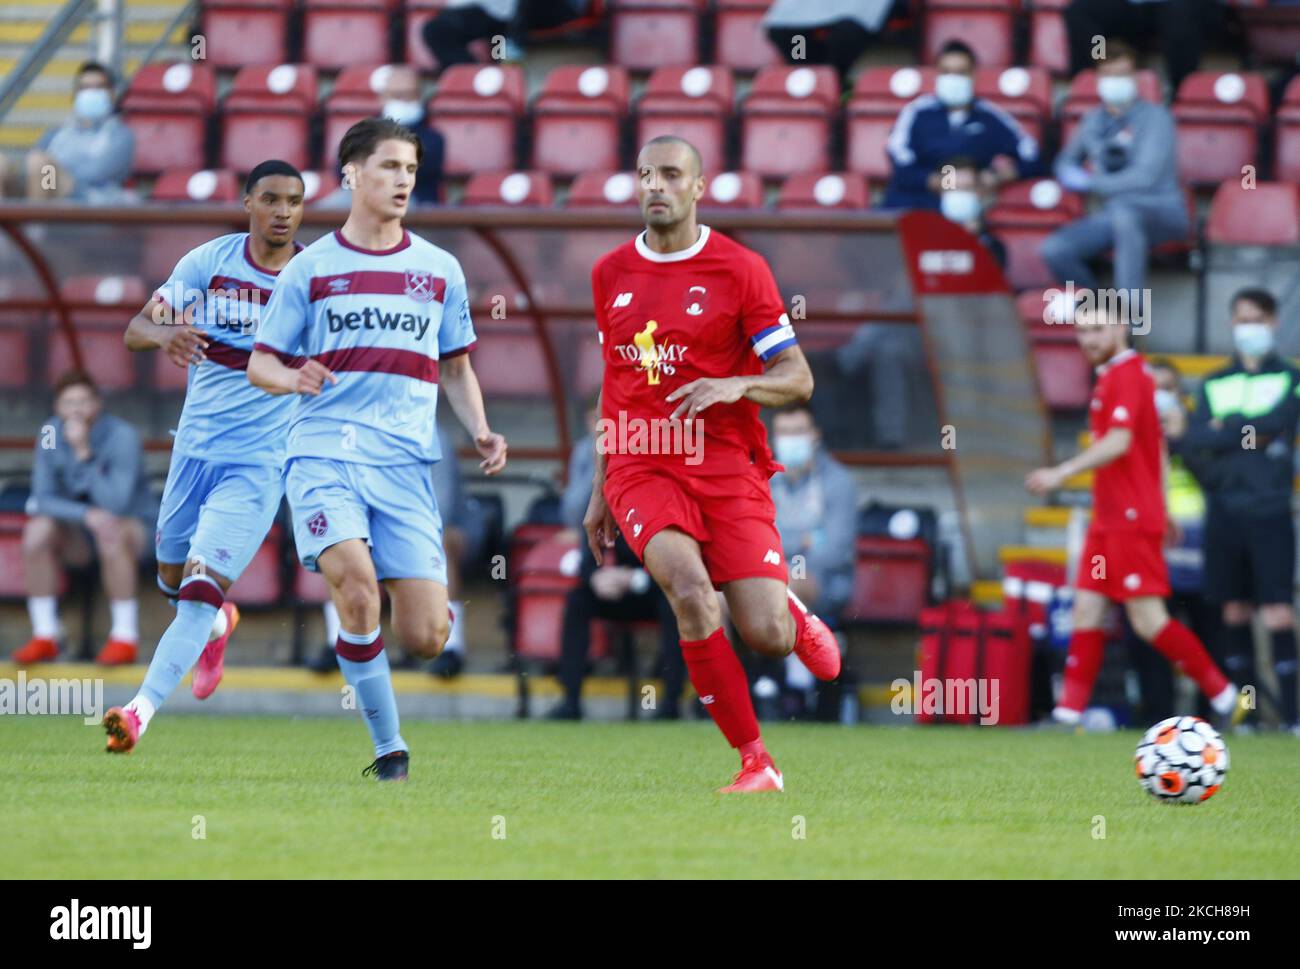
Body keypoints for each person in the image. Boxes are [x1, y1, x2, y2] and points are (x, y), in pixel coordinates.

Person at [247, 118, 508, 782]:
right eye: (389, 167)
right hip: (322, 453)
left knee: (426, 636)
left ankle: (376, 662)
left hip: (404, 463)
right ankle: (390, 748)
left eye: (411, 170)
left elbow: (455, 367)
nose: (402, 181)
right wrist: (293, 375)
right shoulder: (311, 268)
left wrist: (479, 427)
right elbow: (261, 365)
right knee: (358, 590)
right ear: (352, 176)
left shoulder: (438, 269)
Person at [584, 134, 841, 794]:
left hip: (726, 462)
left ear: (698, 187)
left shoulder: (740, 268)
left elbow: (799, 378)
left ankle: (791, 610)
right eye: (645, 175)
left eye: (671, 175)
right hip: (642, 462)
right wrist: (599, 488)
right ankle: (757, 760)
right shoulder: (610, 272)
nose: (655, 187)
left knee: (767, 635)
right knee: (691, 593)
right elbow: (615, 387)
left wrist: (738, 385)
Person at [98, 162, 307, 752]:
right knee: (171, 578)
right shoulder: (209, 263)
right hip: (193, 453)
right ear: (248, 203)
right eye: (270, 199)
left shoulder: (312, 279)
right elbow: (136, 327)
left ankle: (137, 712)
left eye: (293, 201)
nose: (283, 211)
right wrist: (166, 336)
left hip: (259, 463)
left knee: (197, 585)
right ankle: (218, 626)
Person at [1025, 301, 1249, 731]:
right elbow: (1156, 449)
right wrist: (1162, 507)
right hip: (1109, 520)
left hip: (1128, 520)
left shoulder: (1129, 375)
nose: (1087, 339)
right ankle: (1067, 715)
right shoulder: (1112, 376)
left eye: (1097, 329)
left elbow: (1121, 442)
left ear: (1122, 327)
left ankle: (1223, 695)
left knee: (1149, 621)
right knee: (1086, 611)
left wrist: (1062, 472)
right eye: (1082, 331)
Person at [1165, 289, 1300, 735]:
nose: (1249, 328)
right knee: (1234, 614)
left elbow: (1277, 425)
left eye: (1257, 319)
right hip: (1223, 509)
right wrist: (1243, 437)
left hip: (1269, 509)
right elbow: (1198, 439)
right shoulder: (1213, 383)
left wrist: (1230, 429)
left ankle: (1294, 717)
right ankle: (1249, 713)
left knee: (1278, 612)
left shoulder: (1291, 378)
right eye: (1242, 319)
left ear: (1274, 321)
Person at [549, 400, 683, 720]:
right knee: (578, 600)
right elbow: (585, 536)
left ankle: (670, 704)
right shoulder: (602, 488)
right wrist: (594, 577)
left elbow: (675, 555)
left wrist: (635, 580)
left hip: (653, 586)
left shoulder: (659, 482)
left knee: (674, 605)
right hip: (613, 586)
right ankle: (570, 701)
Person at [13, 371, 153, 665]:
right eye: (68, 402)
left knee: (110, 529)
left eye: (83, 401)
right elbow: (41, 499)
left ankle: (125, 638)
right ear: (57, 407)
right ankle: (46, 635)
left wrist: (83, 452)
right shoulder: (50, 434)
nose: (75, 409)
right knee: (37, 530)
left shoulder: (121, 436)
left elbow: (117, 504)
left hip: (133, 533)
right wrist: (85, 514)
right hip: (79, 535)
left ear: (97, 404)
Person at [1041, 39, 1186, 309]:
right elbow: (1064, 161)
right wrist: (1068, 173)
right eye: (1108, 75)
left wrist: (1092, 183)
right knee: (1056, 249)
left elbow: (1145, 177)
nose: (1114, 81)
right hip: (1114, 214)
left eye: (1122, 74)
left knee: (1125, 218)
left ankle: (1131, 323)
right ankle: (1101, 312)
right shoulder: (1093, 119)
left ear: (1135, 79)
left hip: (1162, 212)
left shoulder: (1157, 119)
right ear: (1098, 79)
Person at [883, 40, 1039, 212]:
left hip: (967, 207)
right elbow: (901, 166)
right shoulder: (917, 112)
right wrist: (947, 181)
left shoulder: (990, 116)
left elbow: (1033, 157)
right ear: (937, 75)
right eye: (947, 72)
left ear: (973, 75)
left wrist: (994, 177)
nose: (953, 79)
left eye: (960, 72)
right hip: (913, 203)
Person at [768, 403, 856, 699]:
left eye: (798, 431)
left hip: (828, 582)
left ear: (815, 435)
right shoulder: (766, 479)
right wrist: (803, 540)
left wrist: (785, 551)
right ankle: (724, 691)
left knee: (787, 585)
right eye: (784, 432)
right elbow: (755, 538)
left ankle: (796, 687)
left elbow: (834, 550)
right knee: (717, 596)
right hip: (772, 573)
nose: (790, 439)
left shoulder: (838, 481)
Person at [27, 61, 135, 204]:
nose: (91, 93)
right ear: (76, 94)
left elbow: (99, 175)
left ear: (112, 94)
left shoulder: (120, 135)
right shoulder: (58, 133)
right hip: (50, 190)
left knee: (43, 166)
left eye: (99, 87)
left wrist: (56, 172)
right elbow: (33, 164)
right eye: (85, 88)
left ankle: (36, 224)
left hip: (90, 197)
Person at [1064, 0, 1219, 98]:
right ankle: (1100, 67)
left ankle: (1182, 92)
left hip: (1180, 5)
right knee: (1081, 11)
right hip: (1132, 5)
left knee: (1182, 18)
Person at [763, 0, 892, 91]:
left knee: (847, 32)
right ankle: (809, 74)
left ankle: (833, 81)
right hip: (802, 36)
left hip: (855, 15)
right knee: (788, 32)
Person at [422, 0, 590, 69]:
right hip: (497, 15)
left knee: (506, 29)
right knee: (437, 29)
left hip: (555, 6)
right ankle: (472, 79)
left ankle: (511, 52)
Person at [936, 155, 1007, 269]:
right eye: (953, 190)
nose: (958, 197)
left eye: (966, 190)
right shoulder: (927, 239)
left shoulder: (991, 244)